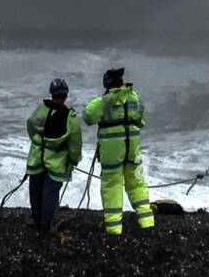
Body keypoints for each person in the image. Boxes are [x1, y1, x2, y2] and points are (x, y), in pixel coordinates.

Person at [82, 67, 154, 235]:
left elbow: (87, 117)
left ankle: (114, 228)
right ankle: (147, 221)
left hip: (112, 153)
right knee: (137, 183)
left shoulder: (103, 101)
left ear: (106, 85)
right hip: (134, 150)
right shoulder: (134, 98)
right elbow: (141, 121)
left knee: (112, 185)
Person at [25, 78, 82, 234]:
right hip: (56, 163)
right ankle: (45, 226)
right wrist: (74, 160)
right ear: (65, 95)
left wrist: (37, 141)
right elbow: (75, 144)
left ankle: (37, 221)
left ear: (51, 94)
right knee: (50, 193)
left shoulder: (41, 110)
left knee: (35, 190)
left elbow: (30, 124)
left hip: (37, 158)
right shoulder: (71, 118)